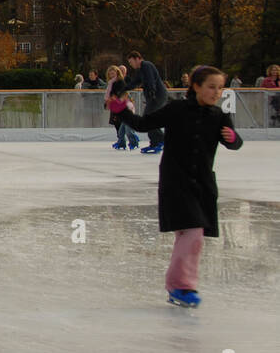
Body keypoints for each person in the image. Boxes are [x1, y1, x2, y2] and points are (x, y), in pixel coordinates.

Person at [109, 65, 243, 307]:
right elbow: (143, 123)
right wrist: (121, 111)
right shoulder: (176, 109)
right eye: (211, 87)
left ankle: (177, 286)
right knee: (193, 234)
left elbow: (234, 142)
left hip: (202, 185)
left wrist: (234, 139)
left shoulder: (218, 115)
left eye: (220, 88)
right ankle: (182, 286)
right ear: (196, 86)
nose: (216, 92)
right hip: (176, 181)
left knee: (189, 234)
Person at [125, 50, 169, 153]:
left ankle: (160, 141)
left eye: (131, 62)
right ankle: (156, 142)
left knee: (148, 119)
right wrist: (123, 89)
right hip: (154, 96)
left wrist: (152, 92)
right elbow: (135, 82)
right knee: (149, 119)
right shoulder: (141, 70)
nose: (131, 65)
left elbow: (150, 79)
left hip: (157, 95)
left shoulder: (146, 65)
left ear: (137, 59)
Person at [104, 65, 138, 150]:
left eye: (113, 73)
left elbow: (123, 93)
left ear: (117, 73)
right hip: (118, 107)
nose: (112, 75)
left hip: (125, 106)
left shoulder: (120, 82)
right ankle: (121, 142)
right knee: (120, 128)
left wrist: (115, 98)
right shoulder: (111, 83)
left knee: (127, 128)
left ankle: (133, 141)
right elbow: (110, 96)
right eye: (110, 74)